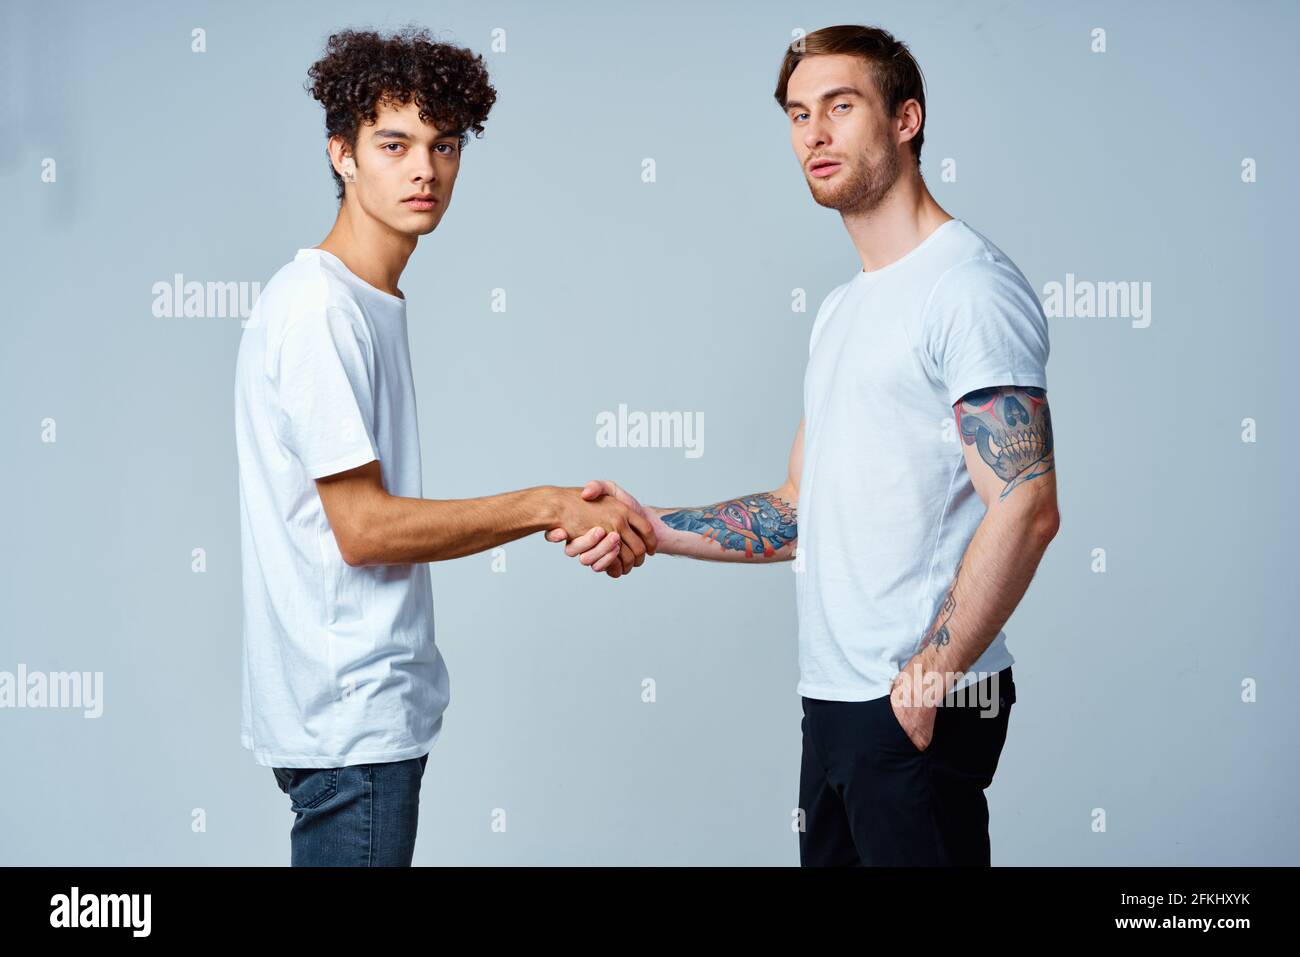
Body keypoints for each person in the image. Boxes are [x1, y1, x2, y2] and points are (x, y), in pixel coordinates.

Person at [549, 24, 1059, 866]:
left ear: (905, 119)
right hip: (835, 701)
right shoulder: (844, 311)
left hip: (915, 697)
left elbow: (1029, 503)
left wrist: (929, 677)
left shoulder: (967, 290)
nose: (814, 134)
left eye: (841, 106)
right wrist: (650, 524)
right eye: (796, 115)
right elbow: (796, 510)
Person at [233, 27, 656, 867]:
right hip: (352, 724)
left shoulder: (364, 301)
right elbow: (365, 529)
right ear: (342, 154)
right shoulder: (320, 309)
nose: (424, 169)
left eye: (445, 145)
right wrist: (547, 504)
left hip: (358, 722)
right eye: (394, 144)